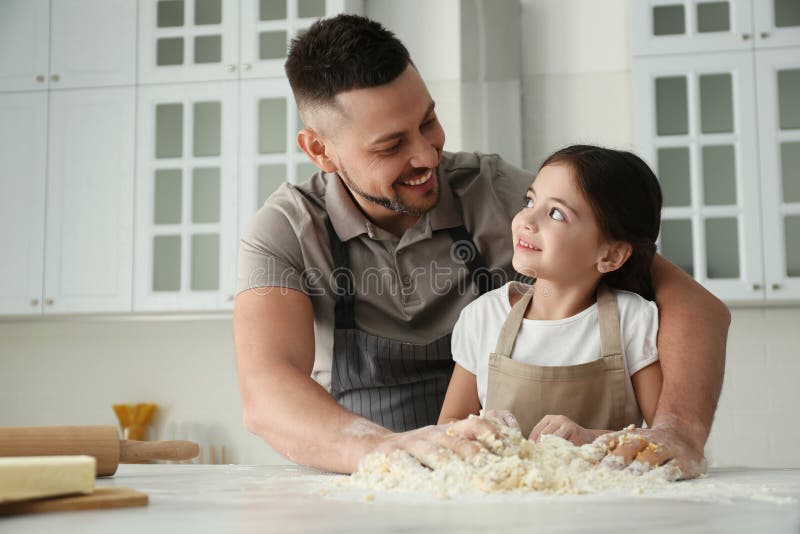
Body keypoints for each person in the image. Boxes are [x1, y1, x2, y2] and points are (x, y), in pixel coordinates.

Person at [233, 14, 730, 476]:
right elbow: (266, 391)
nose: (427, 155)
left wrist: (676, 433)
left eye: (428, 122)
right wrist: (385, 450)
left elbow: (696, 306)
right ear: (320, 150)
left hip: (502, 482)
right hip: (366, 482)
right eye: (391, 145)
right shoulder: (285, 232)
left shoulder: (503, 197)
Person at [439, 145, 664, 454]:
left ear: (610, 254)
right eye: (529, 201)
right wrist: (480, 430)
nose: (526, 220)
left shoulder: (634, 320)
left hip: (606, 500)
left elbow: (665, 440)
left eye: (556, 213)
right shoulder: (484, 316)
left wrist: (590, 439)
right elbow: (447, 426)